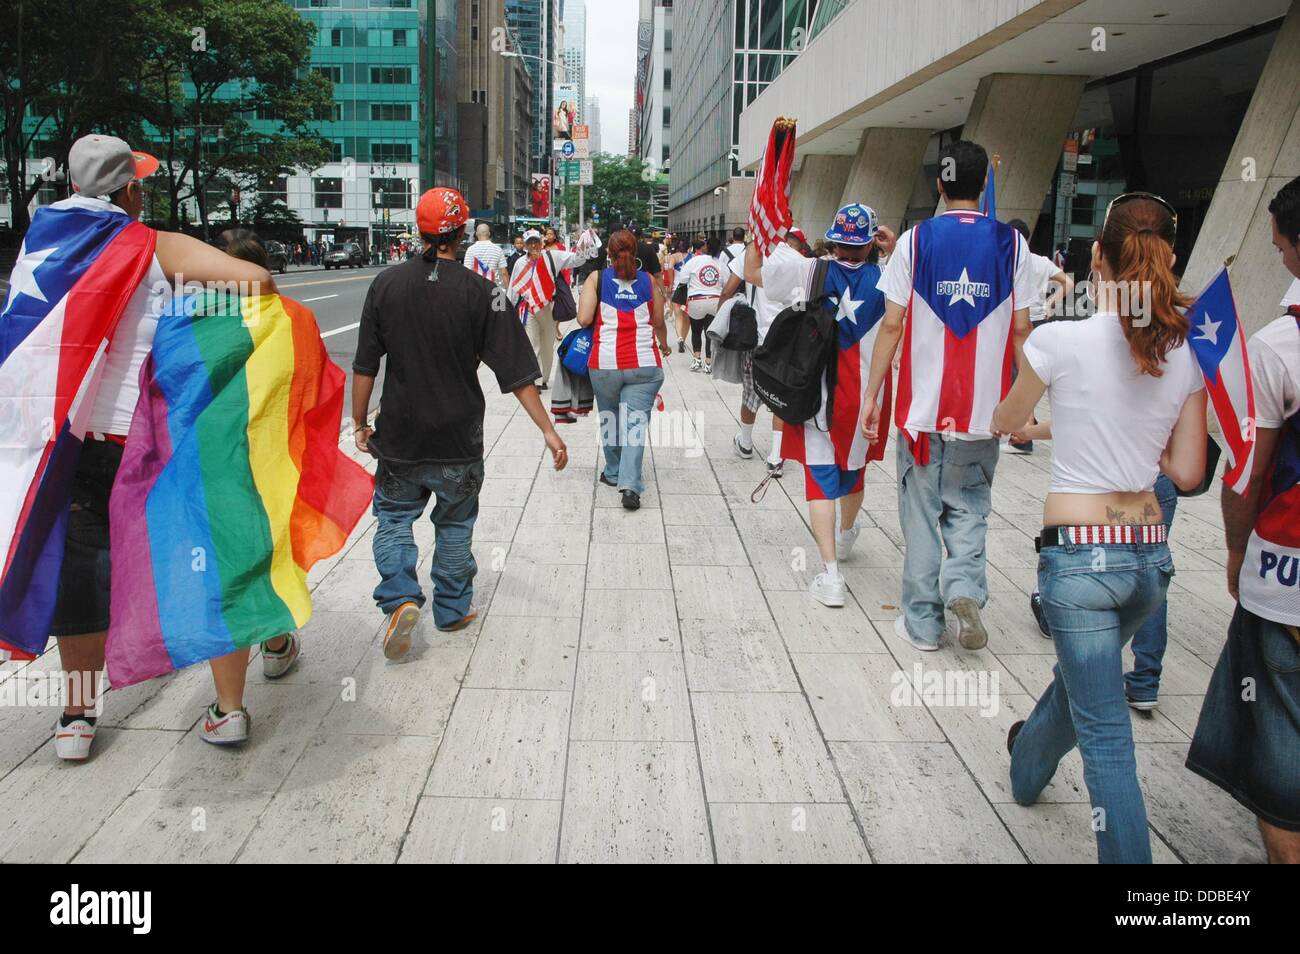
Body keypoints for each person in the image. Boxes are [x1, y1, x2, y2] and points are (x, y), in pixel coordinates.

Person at [7, 135, 277, 757]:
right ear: (130, 190)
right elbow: (257, 282)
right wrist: (181, 303)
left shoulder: (38, 246)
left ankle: (76, 719)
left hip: (73, 447)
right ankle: (229, 711)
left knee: (79, 575)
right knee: (210, 557)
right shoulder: (153, 246)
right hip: (153, 444)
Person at [993, 192, 1207, 864]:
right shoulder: (1184, 351)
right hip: (1147, 560)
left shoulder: (1058, 339)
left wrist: (1030, 415)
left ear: (1097, 258)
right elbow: (1188, 470)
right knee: (1082, 687)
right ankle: (1028, 767)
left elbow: (1005, 420)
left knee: (1107, 736)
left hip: (1081, 565)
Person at [352, 188, 568, 659]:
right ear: (463, 232)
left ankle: (400, 598)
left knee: (393, 517)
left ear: (422, 232)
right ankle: (451, 609)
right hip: (459, 438)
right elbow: (516, 371)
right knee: (454, 522)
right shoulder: (483, 293)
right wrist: (548, 430)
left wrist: (359, 425)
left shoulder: (385, 285)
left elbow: (365, 365)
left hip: (401, 437)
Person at [861, 140, 1033, 651]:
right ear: (984, 185)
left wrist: (874, 396)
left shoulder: (914, 242)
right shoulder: (1014, 245)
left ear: (939, 185)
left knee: (920, 515)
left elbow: (892, 326)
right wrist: (1024, 406)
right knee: (970, 509)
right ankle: (963, 588)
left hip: (922, 413)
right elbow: (1022, 332)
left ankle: (923, 625)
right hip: (986, 414)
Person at [1187, 176, 1300, 864]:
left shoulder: (1279, 346)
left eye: (1279, 243)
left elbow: (1247, 472)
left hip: (1287, 570)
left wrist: (1237, 552)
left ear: (1291, 247)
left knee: (1278, 739)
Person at [748, 204, 896, 606]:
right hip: (869, 397)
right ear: (869, 243)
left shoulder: (811, 269)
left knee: (820, 480)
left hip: (817, 394)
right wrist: (893, 246)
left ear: (833, 240)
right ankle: (847, 534)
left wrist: (754, 236)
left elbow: (752, 275)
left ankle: (831, 577)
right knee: (856, 469)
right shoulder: (889, 277)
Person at [576, 229, 671, 511]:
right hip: (644, 365)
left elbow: (582, 319)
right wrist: (665, 345)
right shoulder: (648, 281)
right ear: (636, 251)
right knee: (635, 425)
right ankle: (630, 485)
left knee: (610, 418)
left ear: (608, 253)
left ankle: (614, 471)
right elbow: (657, 321)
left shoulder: (597, 279)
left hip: (604, 364)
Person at [723, 228, 804, 477]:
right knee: (781, 395)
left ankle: (745, 443)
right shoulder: (800, 261)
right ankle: (776, 456)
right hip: (787, 340)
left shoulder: (753, 254)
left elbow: (728, 289)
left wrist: (721, 321)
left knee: (751, 391)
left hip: (757, 338)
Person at [1006, 218, 1073, 454]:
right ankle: (1024, 430)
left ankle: (1025, 432)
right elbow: (1068, 282)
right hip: (1039, 321)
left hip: (1018, 323)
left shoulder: (1009, 263)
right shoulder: (1041, 262)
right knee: (1033, 374)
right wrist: (1050, 304)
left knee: (1020, 376)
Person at [508, 229, 594, 390]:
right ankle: (535, 379)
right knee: (533, 343)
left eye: (536, 241)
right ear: (525, 245)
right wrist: (509, 310)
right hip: (528, 308)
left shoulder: (552, 256)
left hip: (548, 307)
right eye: (530, 242)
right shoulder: (520, 263)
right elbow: (514, 288)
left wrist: (583, 246)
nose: (533, 245)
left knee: (547, 343)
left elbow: (576, 260)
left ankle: (544, 378)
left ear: (541, 242)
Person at [675, 237, 724, 372]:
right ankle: (709, 362)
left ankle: (697, 359)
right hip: (715, 300)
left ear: (706, 247)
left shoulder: (694, 261)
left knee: (696, 331)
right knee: (709, 332)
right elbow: (726, 282)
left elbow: (683, 279)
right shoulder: (720, 263)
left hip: (696, 300)